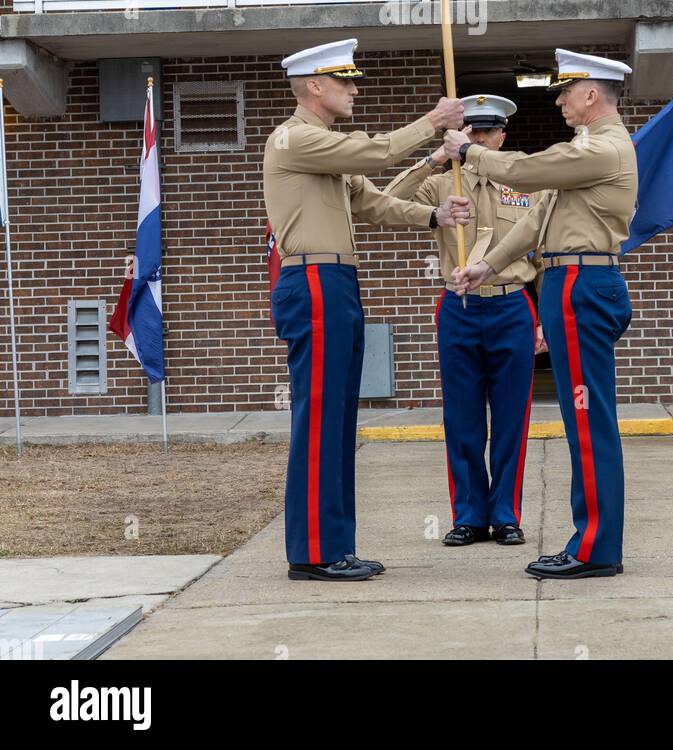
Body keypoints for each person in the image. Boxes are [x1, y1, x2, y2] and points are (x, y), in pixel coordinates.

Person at [264, 39, 468, 582]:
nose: (354, 89)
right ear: (314, 86)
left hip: (335, 280)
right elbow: (376, 153)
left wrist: (434, 217)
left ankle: (333, 544)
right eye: (344, 80)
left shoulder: (323, 146)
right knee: (321, 420)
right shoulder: (296, 138)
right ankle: (312, 551)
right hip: (313, 280)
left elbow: (373, 200)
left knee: (337, 420)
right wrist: (432, 122)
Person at [447, 51, 638, 580]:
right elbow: (535, 223)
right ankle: (592, 541)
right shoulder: (585, 150)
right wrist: (486, 265)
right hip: (565, 280)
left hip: (581, 282)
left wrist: (469, 151)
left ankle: (596, 548)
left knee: (587, 419)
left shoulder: (604, 148)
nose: (558, 101)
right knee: (583, 419)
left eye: (566, 92)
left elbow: (526, 173)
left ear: (591, 95)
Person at [386, 95, 539, 547]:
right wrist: (434, 157)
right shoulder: (442, 183)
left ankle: (506, 514)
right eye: (471, 132)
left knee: (512, 418)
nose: (479, 139)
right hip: (461, 308)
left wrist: (544, 319)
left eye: (487, 132)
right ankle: (470, 515)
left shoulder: (526, 180)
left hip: (513, 305)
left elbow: (546, 252)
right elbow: (385, 200)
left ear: (502, 135)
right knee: (462, 417)